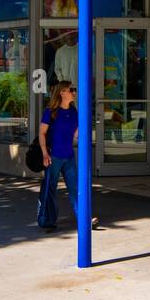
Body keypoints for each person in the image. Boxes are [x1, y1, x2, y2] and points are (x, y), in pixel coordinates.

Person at [36, 81, 96, 232]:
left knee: (75, 188)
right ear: (62, 92)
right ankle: (46, 220)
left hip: (69, 156)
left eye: (74, 90)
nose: (74, 93)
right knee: (50, 188)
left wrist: (85, 125)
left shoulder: (74, 111)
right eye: (72, 90)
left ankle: (84, 219)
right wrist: (44, 153)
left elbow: (75, 134)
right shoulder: (51, 112)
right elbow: (42, 133)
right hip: (53, 156)